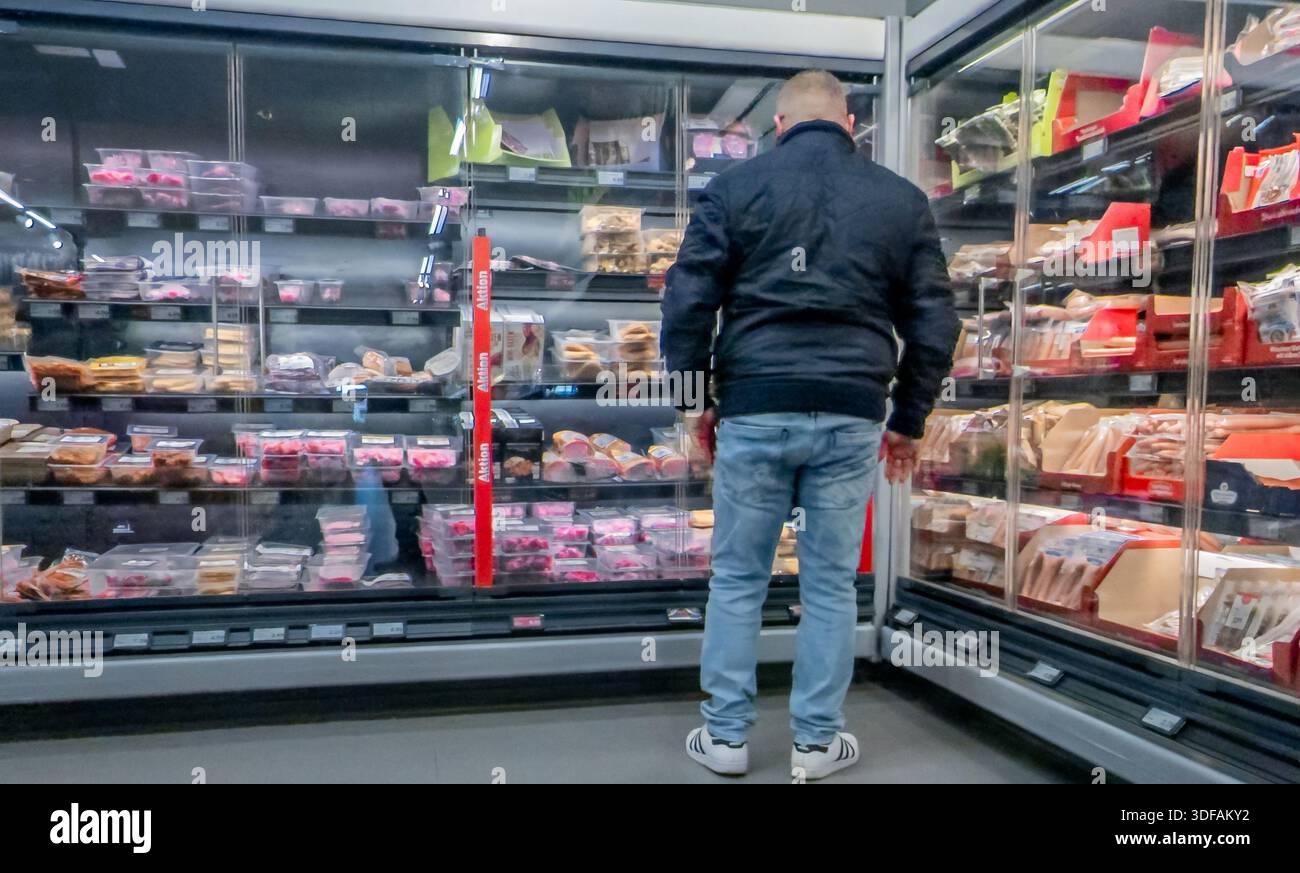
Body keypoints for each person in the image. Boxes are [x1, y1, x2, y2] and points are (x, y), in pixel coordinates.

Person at [662, 69, 958, 780]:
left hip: (757, 402)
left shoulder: (733, 188)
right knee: (829, 583)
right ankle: (817, 744)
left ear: (781, 125)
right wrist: (908, 417)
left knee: (737, 578)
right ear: (849, 125)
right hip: (854, 409)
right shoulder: (902, 200)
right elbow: (935, 322)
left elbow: (688, 298)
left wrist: (694, 398)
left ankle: (727, 739)